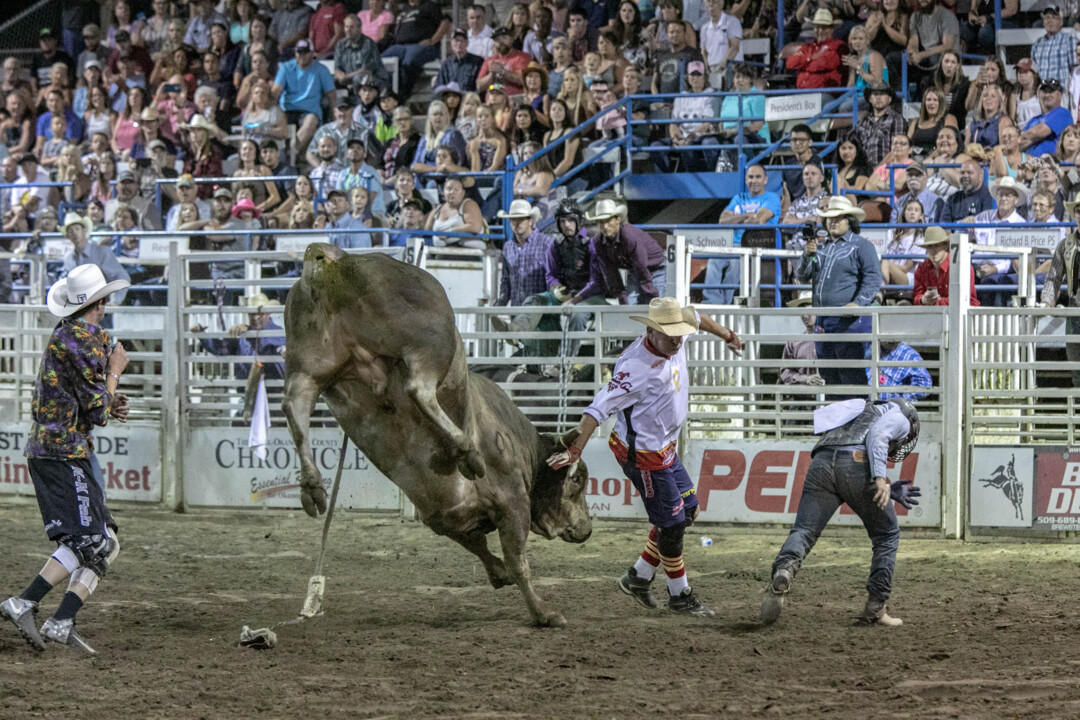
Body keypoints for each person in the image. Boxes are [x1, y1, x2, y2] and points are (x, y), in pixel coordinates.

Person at [549, 296, 741, 616]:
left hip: (665, 447)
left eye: (680, 332)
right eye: (671, 334)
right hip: (644, 456)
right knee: (673, 524)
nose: (679, 339)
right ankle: (679, 595)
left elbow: (698, 317)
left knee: (686, 511)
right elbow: (598, 408)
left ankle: (638, 576)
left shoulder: (673, 337)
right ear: (651, 332)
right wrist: (576, 449)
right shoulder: (635, 369)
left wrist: (727, 335)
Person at [0, 264, 131, 654]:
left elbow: (95, 405)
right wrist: (114, 378)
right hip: (63, 453)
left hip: (63, 450)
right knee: (93, 541)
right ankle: (28, 603)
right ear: (101, 302)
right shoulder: (82, 342)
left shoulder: (75, 336)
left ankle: (60, 619)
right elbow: (95, 413)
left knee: (103, 540)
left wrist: (108, 397)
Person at [759, 396, 921, 627]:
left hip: (822, 461)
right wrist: (879, 479)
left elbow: (846, 448)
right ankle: (876, 608)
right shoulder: (901, 416)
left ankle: (785, 569)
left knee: (804, 529)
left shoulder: (862, 409)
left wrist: (885, 486)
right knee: (887, 535)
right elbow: (877, 436)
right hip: (856, 463)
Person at [795, 196, 882, 395]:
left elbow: (873, 278)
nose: (833, 221)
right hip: (823, 319)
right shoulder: (822, 248)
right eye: (830, 218)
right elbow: (802, 275)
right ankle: (838, 421)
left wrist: (857, 303)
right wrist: (807, 254)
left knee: (850, 373)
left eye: (839, 217)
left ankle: (855, 420)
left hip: (848, 319)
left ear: (849, 221)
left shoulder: (861, 246)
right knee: (829, 373)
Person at [566, 200, 667, 306]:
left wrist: (651, 294)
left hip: (657, 269)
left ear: (617, 220)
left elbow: (641, 267)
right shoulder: (598, 242)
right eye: (601, 222)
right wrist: (622, 299)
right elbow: (610, 273)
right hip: (635, 271)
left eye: (608, 221)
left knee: (655, 306)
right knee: (628, 306)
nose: (605, 226)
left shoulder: (629, 237)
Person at [706, 164, 780, 305]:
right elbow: (722, 221)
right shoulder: (739, 197)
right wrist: (747, 215)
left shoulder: (772, 198)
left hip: (755, 244)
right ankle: (711, 301)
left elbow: (758, 220)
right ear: (746, 180)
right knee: (713, 261)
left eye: (758, 177)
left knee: (735, 265)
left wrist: (737, 217)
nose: (754, 180)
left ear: (765, 180)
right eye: (750, 177)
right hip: (731, 242)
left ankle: (724, 304)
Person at [190, 293, 286, 381]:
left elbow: (273, 347)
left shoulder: (278, 333)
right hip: (249, 390)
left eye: (260, 313)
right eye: (252, 313)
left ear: (267, 313)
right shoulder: (243, 335)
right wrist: (202, 334)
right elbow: (221, 348)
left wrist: (249, 332)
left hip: (271, 390)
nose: (256, 317)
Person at [971, 176, 1029, 306]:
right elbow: (961, 231)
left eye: (1008, 195)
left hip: (1000, 272)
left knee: (993, 282)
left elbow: (1014, 259)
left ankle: (992, 324)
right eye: (1000, 195)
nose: (1003, 198)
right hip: (975, 268)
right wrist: (967, 223)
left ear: (1016, 200)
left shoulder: (1021, 225)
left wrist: (995, 269)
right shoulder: (983, 216)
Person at [1041, 197, 1080, 385]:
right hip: (1075, 310)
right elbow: (1054, 278)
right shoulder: (1066, 245)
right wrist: (1047, 301)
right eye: (1079, 211)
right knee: (1075, 363)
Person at [272, 39, 336, 152]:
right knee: (273, 119)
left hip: (309, 111)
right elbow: (276, 92)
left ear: (312, 53)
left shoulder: (321, 70)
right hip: (287, 110)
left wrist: (334, 120)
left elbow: (332, 96)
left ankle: (291, 155)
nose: (302, 55)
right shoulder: (286, 68)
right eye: (299, 52)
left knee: (311, 120)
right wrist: (272, 111)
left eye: (305, 52)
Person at [381, 0, 450, 97]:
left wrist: (433, 40)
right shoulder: (404, 8)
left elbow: (445, 22)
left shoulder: (429, 5)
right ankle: (388, 93)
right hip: (399, 46)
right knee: (381, 62)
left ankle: (402, 95)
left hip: (420, 45)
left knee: (408, 62)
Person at [59, 213, 131, 301]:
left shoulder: (102, 252)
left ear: (84, 230)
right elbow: (63, 282)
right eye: (70, 231)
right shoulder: (69, 258)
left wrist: (115, 301)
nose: (74, 233)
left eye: (77, 229)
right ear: (67, 236)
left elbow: (122, 277)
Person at [493, 199, 553, 307]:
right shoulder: (508, 247)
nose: (516, 224)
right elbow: (506, 280)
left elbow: (552, 277)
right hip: (518, 310)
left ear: (530, 221)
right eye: (513, 220)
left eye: (521, 219)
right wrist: (502, 301)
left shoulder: (546, 243)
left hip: (542, 311)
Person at [912, 225, 978, 307]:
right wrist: (922, 300)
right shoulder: (921, 269)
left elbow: (964, 298)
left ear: (945, 246)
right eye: (929, 246)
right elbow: (917, 296)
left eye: (937, 245)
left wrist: (932, 302)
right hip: (937, 315)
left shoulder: (962, 267)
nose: (933, 250)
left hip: (965, 315)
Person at [784, 9, 845, 90]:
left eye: (824, 28)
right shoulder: (808, 46)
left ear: (832, 30)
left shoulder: (839, 46)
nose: (820, 31)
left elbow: (825, 63)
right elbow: (790, 63)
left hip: (826, 92)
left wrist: (803, 62)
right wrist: (811, 58)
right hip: (801, 92)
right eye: (817, 27)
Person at [905, 0, 958, 90]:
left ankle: (935, 95)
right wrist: (912, 51)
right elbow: (913, 40)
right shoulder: (915, 16)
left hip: (942, 54)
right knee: (894, 59)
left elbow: (948, 46)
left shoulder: (946, 16)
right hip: (924, 55)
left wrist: (921, 55)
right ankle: (897, 99)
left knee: (934, 59)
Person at [335, 14, 392, 91]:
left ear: (359, 28)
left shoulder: (368, 44)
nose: (348, 30)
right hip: (351, 81)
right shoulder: (340, 44)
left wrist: (346, 78)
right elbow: (337, 68)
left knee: (359, 79)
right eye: (346, 27)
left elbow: (366, 71)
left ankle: (358, 102)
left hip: (375, 82)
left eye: (351, 27)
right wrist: (340, 76)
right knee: (329, 81)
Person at [1021, 79, 1074, 158]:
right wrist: (1033, 137)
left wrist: (1030, 137)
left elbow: (1039, 132)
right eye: (1044, 92)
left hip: (1050, 163)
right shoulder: (1033, 120)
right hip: (1029, 163)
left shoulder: (1063, 113)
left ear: (1059, 96)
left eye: (1051, 91)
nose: (1047, 95)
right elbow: (1019, 144)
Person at [476, 26, 533, 96]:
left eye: (504, 38)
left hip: (514, 101)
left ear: (512, 40)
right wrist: (492, 74)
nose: (501, 42)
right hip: (492, 100)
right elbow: (479, 86)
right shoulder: (489, 60)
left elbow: (527, 81)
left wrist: (503, 72)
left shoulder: (522, 57)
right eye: (498, 39)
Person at [1031, 6, 1075, 91]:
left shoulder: (1069, 40)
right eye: (1047, 17)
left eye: (1054, 17)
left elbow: (1075, 70)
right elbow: (1034, 71)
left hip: (1062, 91)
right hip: (1042, 92)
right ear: (1043, 22)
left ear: (1060, 21)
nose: (1050, 21)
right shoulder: (1037, 44)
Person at [939, 160, 993, 224]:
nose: (965, 176)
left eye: (969, 173)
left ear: (980, 176)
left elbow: (987, 223)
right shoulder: (952, 199)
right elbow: (944, 227)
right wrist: (961, 223)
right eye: (962, 173)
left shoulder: (990, 195)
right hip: (955, 233)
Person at [438, 28, 483, 93]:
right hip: (450, 100)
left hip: (469, 100)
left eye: (462, 40)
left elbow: (480, 87)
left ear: (467, 43)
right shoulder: (446, 64)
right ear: (451, 42)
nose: (459, 43)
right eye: (456, 40)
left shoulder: (478, 61)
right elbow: (439, 86)